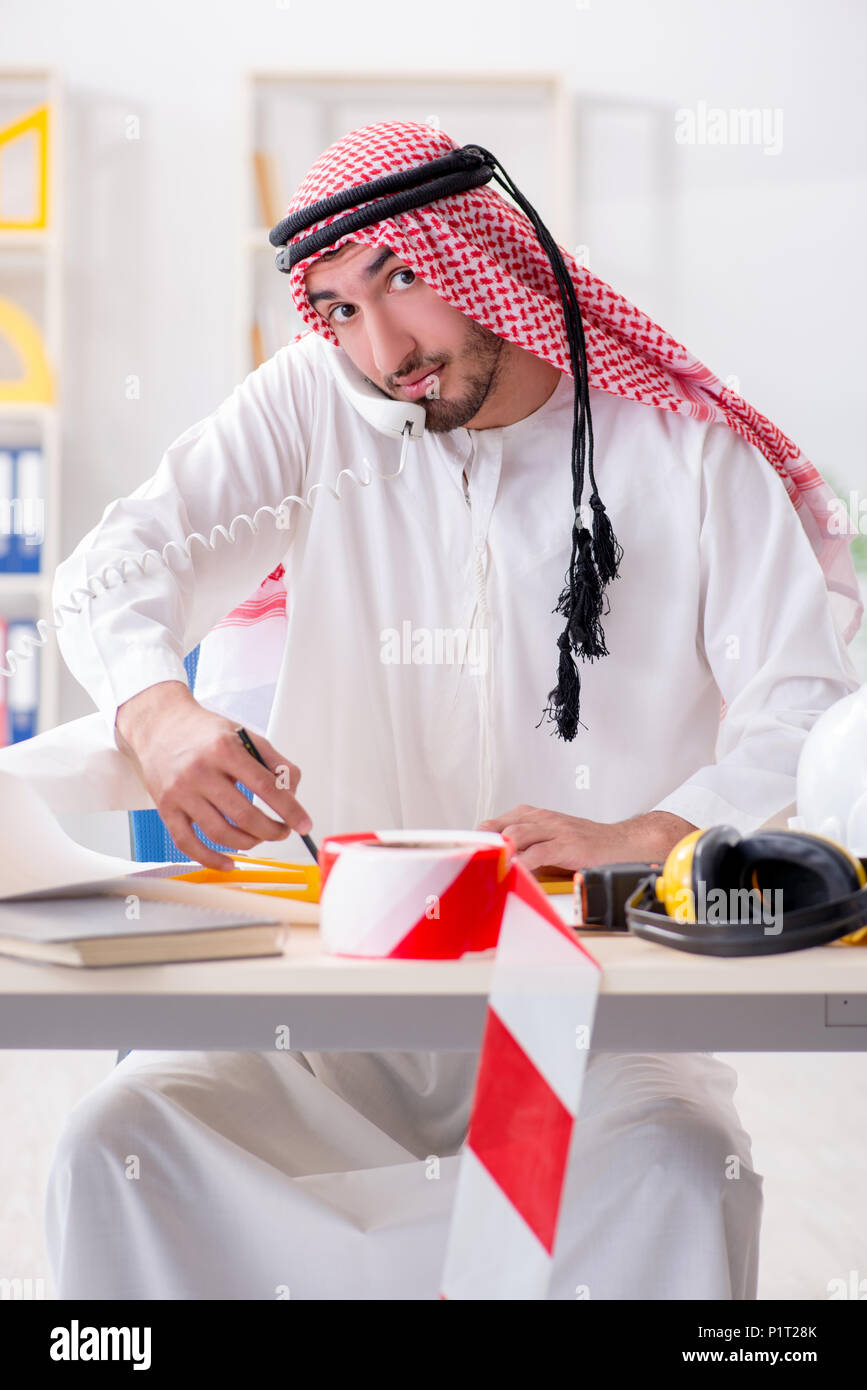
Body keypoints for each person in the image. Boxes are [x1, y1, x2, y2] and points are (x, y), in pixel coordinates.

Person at [44, 121, 861, 1300]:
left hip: (594, 1011)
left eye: (404, 280)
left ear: (487, 253)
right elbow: (113, 568)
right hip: (331, 1004)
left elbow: (807, 713)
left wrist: (655, 834)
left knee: (679, 1170)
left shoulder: (682, 451)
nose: (384, 351)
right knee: (119, 1147)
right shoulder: (314, 409)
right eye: (336, 309)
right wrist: (156, 709)